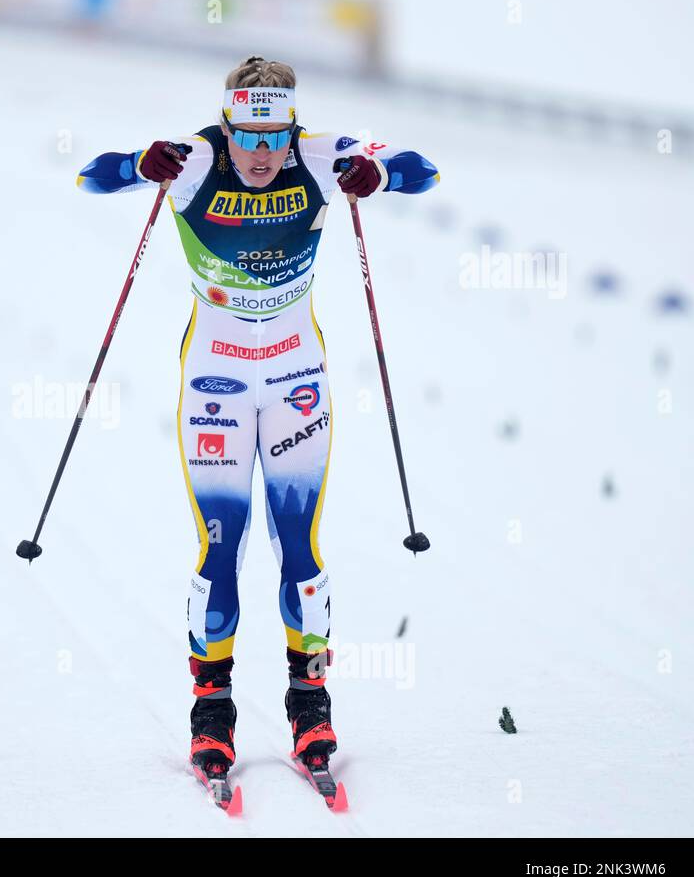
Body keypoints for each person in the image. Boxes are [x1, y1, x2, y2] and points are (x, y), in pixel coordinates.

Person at [76, 57, 438, 786]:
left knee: (299, 546)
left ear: (291, 125)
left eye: (276, 135)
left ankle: (311, 704)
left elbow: (422, 168)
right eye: (251, 136)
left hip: (296, 378)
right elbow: (92, 175)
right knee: (221, 548)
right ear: (229, 124)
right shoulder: (194, 160)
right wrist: (136, 165)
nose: (265, 153)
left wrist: (383, 177)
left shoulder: (321, 154)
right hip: (215, 381)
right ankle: (212, 713)